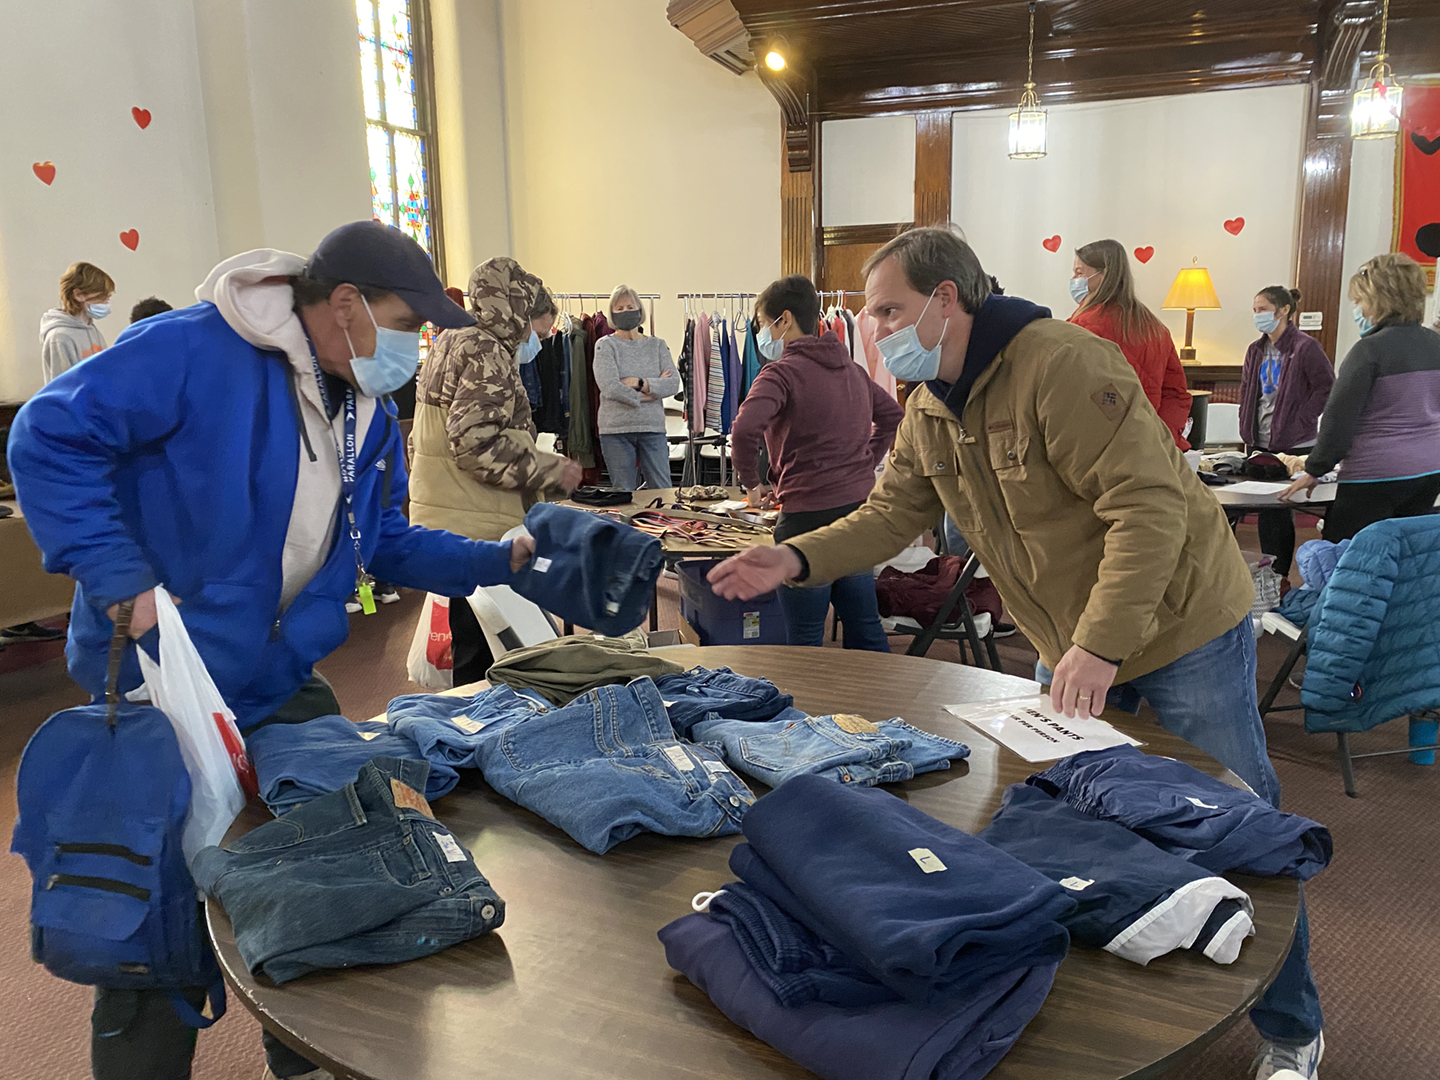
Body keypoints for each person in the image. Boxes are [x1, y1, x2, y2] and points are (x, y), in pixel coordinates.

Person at [710, 226, 1325, 1080]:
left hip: (1180, 628)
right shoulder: (931, 406)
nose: (875, 327)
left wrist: (1101, 647)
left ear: (946, 300)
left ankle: (1292, 1028)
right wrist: (798, 556)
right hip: (1069, 643)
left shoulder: (1064, 366)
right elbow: (890, 517)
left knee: (1244, 829)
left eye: (887, 308)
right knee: (1058, 829)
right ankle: (1100, 1029)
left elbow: (1146, 510)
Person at [9, 220, 539, 1080]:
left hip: (281, 678)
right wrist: (120, 578)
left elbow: (386, 541)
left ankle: (299, 1052)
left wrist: (501, 560)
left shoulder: (364, 401)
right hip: (162, 684)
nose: (414, 344)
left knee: (325, 883)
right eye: (406, 322)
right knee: (154, 932)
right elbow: (46, 436)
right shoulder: (192, 350)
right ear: (345, 304)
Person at [408, 256, 581, 684]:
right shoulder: (486, 351)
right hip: (477, 521)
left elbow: (432, 437)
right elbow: (475, 444)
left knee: (471, 639)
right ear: (522, 312)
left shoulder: (452, 340)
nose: (538, 341)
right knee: (498, 658)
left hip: (446, 512)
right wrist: (549, 470)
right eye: (539, 329)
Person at [729, 275, 903, 651]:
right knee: (865, 627)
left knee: (806, 638)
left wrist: (751, 485)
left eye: (762, 325)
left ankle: (809, 711)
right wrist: (864, 462)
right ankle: (886, 707)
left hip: (806, 519)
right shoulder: (852, 370)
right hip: (857, 513)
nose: (762, 334)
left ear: (785, 319)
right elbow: (892, 415)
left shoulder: (780, 373)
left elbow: (743, 430)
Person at [1282, 253, 1440, 539]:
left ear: (1377, 299)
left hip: (1376, 474)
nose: (1357, 308)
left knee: (1349, 557)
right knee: (1405, 554)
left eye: (1358, 301)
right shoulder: (1436, 344)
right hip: (1430, 470)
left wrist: (1315, 469)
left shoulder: (1368, 351)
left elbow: (1339, 420)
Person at [1241, 286, 1334, 578]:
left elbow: (1326, 386)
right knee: (1267, 511)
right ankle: (1269, 575)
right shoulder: (1255, 350)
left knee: (1281, 510)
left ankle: (1282, 576)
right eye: (1255, 310)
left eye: (1263, 309)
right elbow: (1247, 390)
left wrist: (1302, 416)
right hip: (1261, 440)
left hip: (1295, 441)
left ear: (1283, 311)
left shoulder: (1305, 347)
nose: (1258, 315)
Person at [1068, 240, 1192, 449]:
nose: (1073, 280)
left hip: (1100, 445)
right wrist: (1160, 438)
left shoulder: (1083, 326)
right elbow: (1176, 392)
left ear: (1103, 275)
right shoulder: (1154, 326)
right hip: (1148, 444)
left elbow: (1079, 391)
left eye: (1079, 273)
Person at [592, 285, 679, 490]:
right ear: (612, 314)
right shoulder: (605, 346)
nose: (625, 312)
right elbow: (610, 387)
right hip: (616, 430)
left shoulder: (657, 345)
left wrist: (639, 382)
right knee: (624, 493)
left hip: (652, 428)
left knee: (663, 490)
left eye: (630, 306)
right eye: (619, 308)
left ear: (639, 310)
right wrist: (648, 395)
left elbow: (673, 383)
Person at [40, 260, 114, 383]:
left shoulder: (92, 329)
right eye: (103, 297)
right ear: (79, 295)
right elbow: (62, 387)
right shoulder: (59, 337)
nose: (106, 303)